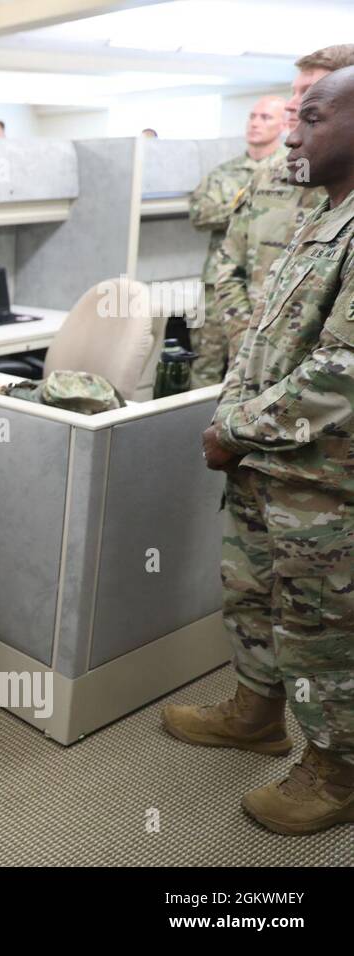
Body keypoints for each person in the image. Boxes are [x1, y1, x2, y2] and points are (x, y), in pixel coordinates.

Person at [174, 66, 354, 835]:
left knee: (320, 622)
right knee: (252, 591)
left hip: (323, 479)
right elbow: (268, 340)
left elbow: (341, 372)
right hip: (266, 464)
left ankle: (336, 770)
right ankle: (256, 712)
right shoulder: (322, 213)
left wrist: (234, 428)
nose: (290, 132)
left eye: (310, 117)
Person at [210, 45, 354, 369]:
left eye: (307, 91)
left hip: (317, 375)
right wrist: (248, 346)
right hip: (251, 360)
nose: (292, 103)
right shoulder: (271, 177)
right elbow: (229, 266)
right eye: (294, 91)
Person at [187, 95, 286, 387]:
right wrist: (249, 206)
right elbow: (199, 215)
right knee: (204, 361)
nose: (255, 123)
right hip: (217, 281)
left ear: (283, 124)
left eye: (266, 117)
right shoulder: (223, 172)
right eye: (252, 116)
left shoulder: (290, 174)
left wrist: (237, 208)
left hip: (267, 285)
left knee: (251, 367)